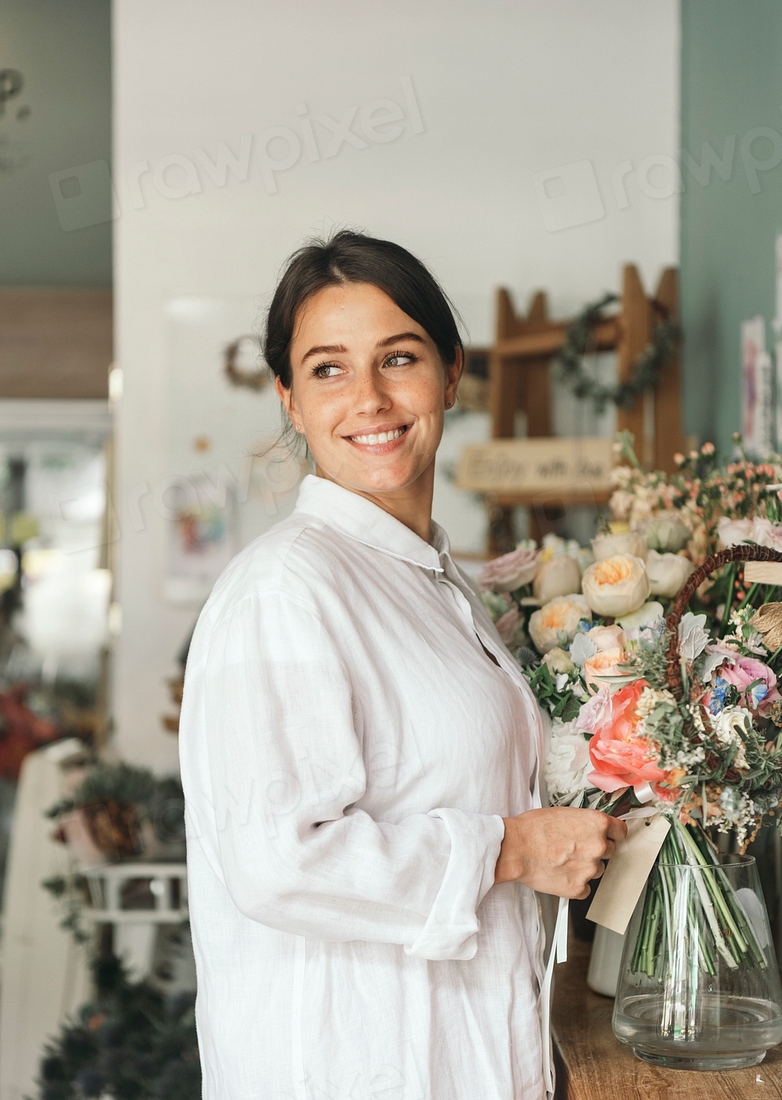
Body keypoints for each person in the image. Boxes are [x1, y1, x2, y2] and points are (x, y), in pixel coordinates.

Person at [178, 230, 626, 1100]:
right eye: (329, 370)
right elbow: (277, 861)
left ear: (450, 373)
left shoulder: (434, 581)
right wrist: (509, 850)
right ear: (289, 400)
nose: (371, 398)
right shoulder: (284, 591)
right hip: (351, 1065)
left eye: (399, 357)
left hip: (470, 1055)